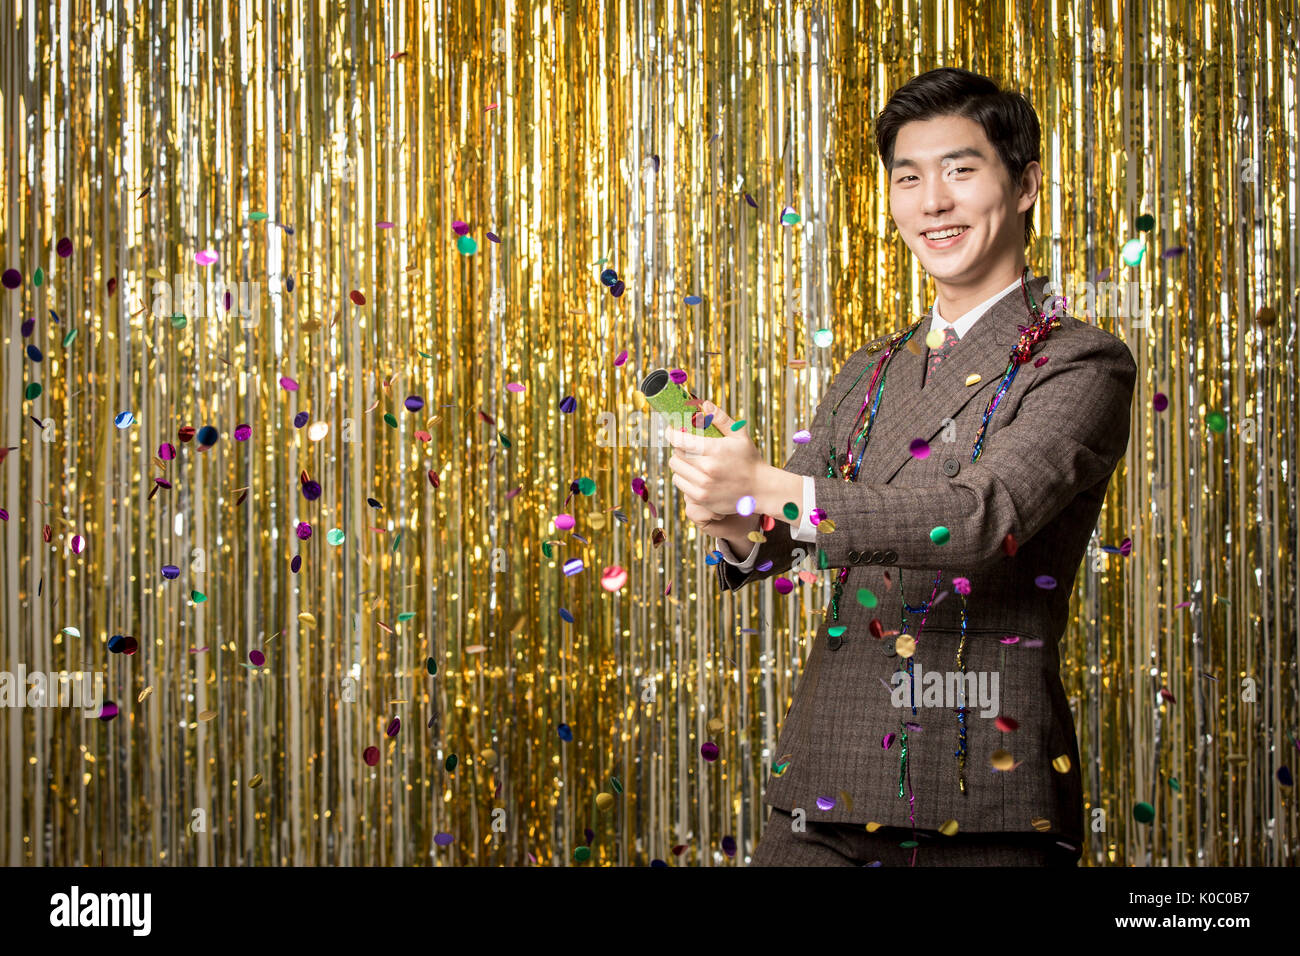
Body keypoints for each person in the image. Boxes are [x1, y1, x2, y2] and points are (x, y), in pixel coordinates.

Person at [665, 67, 1137, 866]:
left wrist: (773, 488)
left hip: (979, 780)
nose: (933, 202)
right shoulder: (869, 370)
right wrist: (734, 514)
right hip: (823, 775)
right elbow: (795, 534)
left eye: (960, 170)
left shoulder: (1080, 361)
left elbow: (983, 516)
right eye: (908, 177)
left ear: (1024, 186)